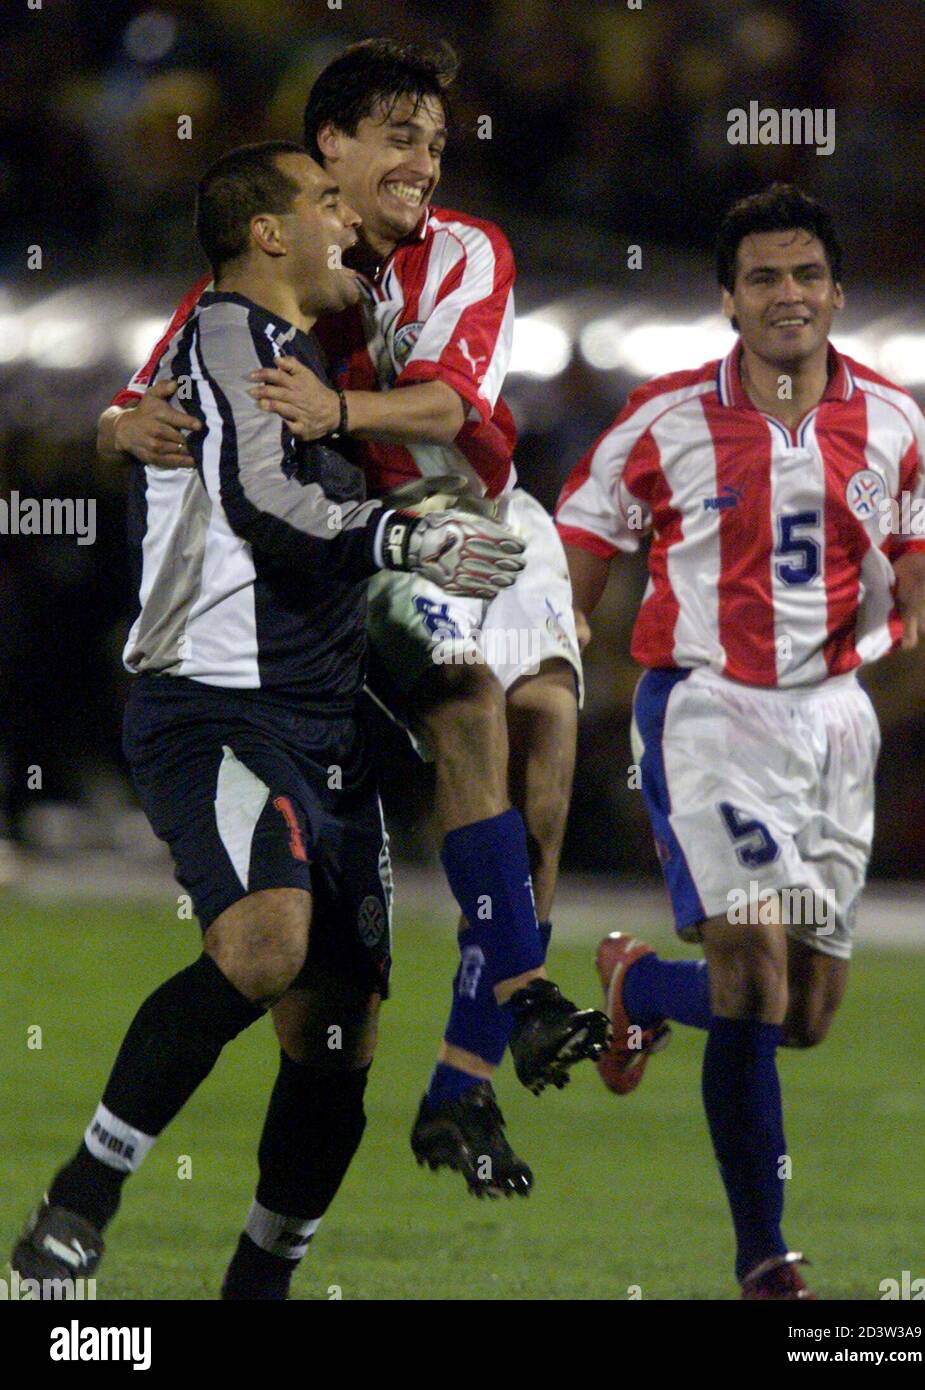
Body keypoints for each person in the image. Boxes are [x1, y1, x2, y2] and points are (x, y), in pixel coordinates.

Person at [12, 140, 524, 1300]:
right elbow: (262, 499)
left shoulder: (303, 352)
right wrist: (404, 534)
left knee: (336, 1038)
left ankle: (259, 1283)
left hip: (324, 721)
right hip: (215, 705)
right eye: (324, 201)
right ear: (270, 232)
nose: (350, 219)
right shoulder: (231, 333)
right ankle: (79, 1201)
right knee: (263, 942)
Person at [96, 39, 607, 1199]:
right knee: (472, 707)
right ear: (329, 146)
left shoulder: (465, 251)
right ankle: (522, 1001)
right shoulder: (275, 257)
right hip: (379, 530)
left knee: (549, 752)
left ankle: (462, 1081)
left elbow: (454, 404)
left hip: (484, 507)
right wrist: (117, 430)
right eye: (399, 137)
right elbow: (140, 396)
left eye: (436, 141)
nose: (426, 162)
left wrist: (336, 401)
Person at [556, 184, 925, 1299]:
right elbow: (581, 546)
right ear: (727, 300)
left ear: (837, 291)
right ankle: (764, 1260)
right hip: (707, 711)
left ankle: (639, 988)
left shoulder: (896, 419)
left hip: (835, 721)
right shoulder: (663, 421)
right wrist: (552, 667)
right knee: (753, 960)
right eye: (765, 278)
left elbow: (913, 531)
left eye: (807, 275)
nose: (790, 295)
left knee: (806, 1016)